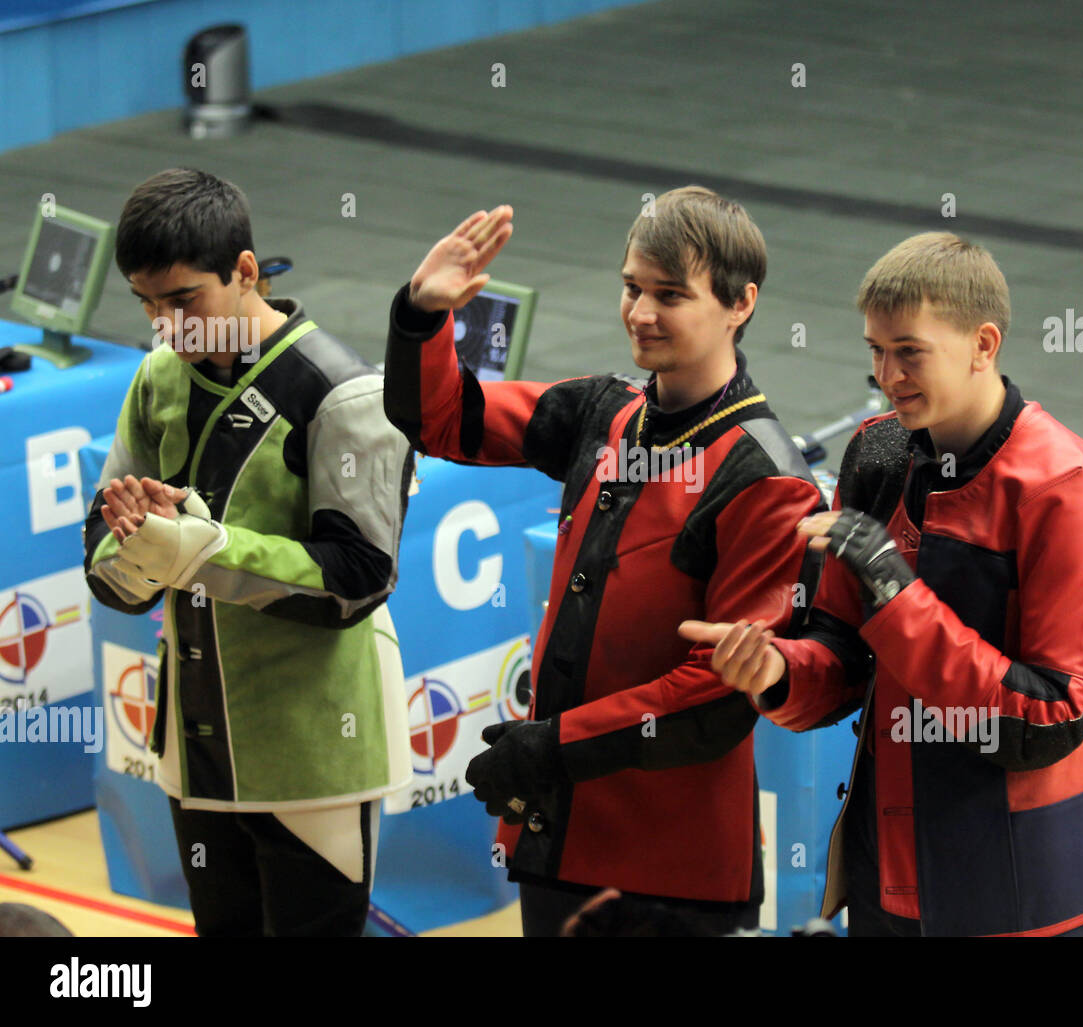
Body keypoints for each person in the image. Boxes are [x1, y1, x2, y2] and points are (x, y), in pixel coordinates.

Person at [682, 231, 1083, 937]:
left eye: (910, 351)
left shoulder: (1073, 490)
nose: (888, 374)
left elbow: (1050, 717)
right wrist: (780, 671)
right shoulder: (877, 456)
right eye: (875, 351)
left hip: (1025, 889)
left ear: (984, 343)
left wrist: (894, 592)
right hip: (889, 871)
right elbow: (840, 656)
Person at [383, 187, 824, 936]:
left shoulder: (770, 481)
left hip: (674, 876)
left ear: (740, 303)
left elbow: (714, 697)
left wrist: (550, 747)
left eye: (670, 295)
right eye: (631, 288)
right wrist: (424, 315)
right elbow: (441, 419)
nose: (640, 313)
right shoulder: (603, 410)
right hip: (561, 841)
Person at [82, 167, 414, 937]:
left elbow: (358, 580)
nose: (167, 326)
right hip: (195, 750)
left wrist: (203, 550)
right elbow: (102, 546)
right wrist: (138, 550)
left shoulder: (346, 393)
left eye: (183, 299)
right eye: (146, 303)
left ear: (244, 272)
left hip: (314, 758)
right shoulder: (158, 377)